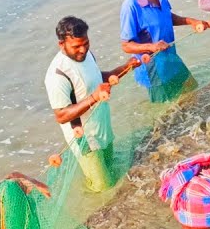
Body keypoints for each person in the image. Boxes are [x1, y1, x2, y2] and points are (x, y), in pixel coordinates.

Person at [44, 16, 141, 191]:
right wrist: (94, 97)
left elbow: (96, 79)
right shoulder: (57, 75)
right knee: (101, 187)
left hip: (102, 128)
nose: (82, 50)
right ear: (61, 45)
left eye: (86, 43)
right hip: (85, 140)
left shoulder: (87, 55)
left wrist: (126, 67)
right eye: (76, 46)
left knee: (113, 173)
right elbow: (61, 115)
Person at [120, 0, 210, 102]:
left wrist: (191, 21)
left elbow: (165, 17)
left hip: (171, 57)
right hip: (154, 68)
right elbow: (126, 45)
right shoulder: (131, 7)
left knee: (193, 92)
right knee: (165, 110)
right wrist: (153, 46)